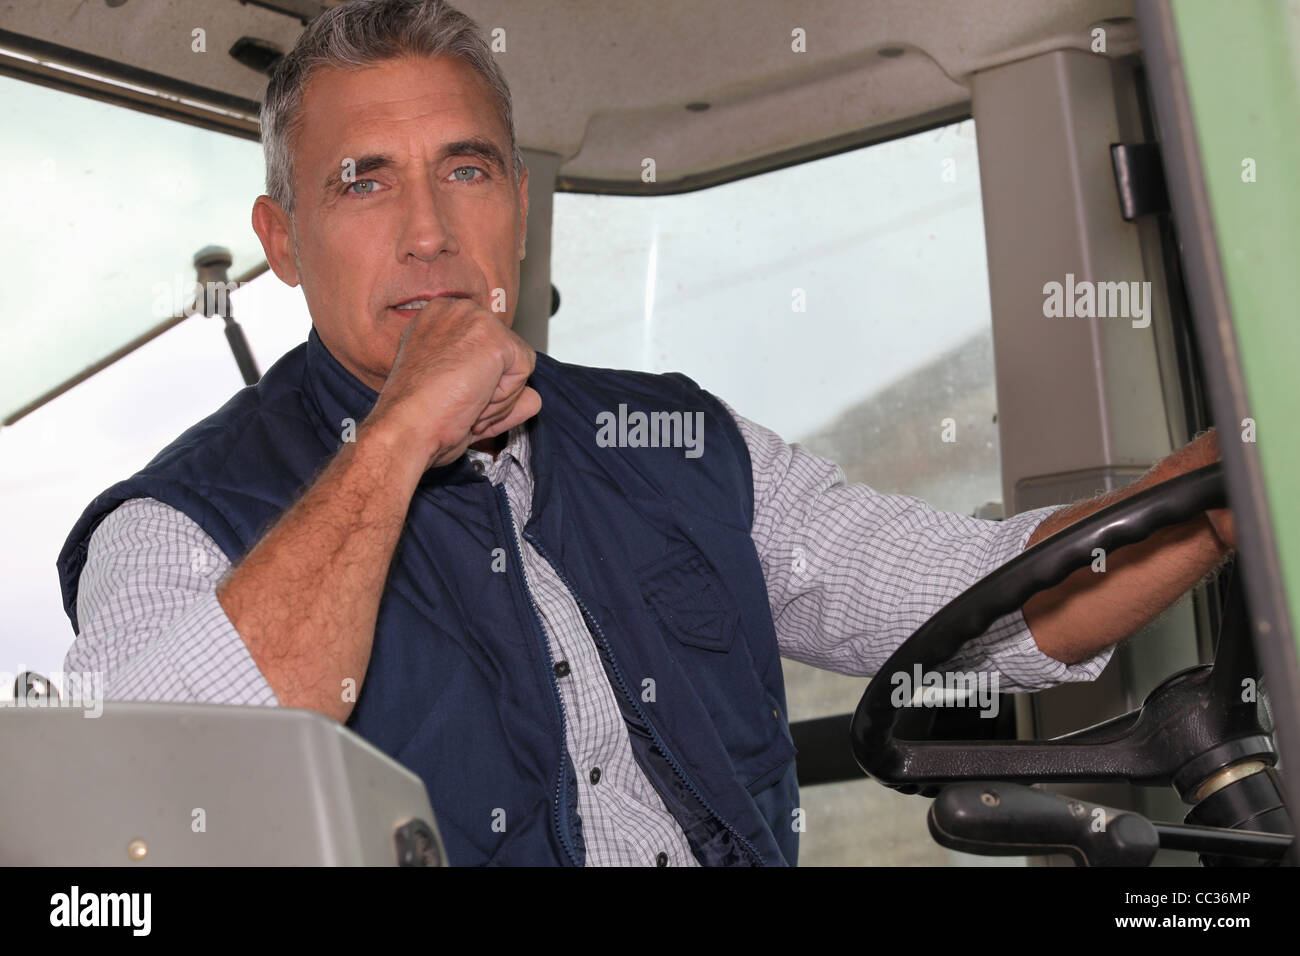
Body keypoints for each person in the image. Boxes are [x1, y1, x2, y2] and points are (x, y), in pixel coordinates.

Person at [57, 0, 1234, 867]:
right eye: (363, 182)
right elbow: (141, 810)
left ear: (514, 207)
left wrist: (1238, 475)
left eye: (464, 169)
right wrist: (401, 429)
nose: (426, 229)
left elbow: (989, 601)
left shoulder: (675, 437)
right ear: (282, 238)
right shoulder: (173, 525)